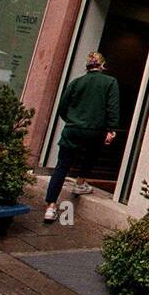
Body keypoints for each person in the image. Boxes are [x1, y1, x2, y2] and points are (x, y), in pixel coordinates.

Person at [44, 51, 119, 222]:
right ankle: (80, 183)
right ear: (102, 65)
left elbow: (63, 105)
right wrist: (111, 129)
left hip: (73, 128)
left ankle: (50, 206)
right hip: (95, 130)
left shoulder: (76, 82)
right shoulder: (110, 82)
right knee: (91, 155)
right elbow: (112, 107)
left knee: (62, 166)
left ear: (87, 66)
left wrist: (71, 119)